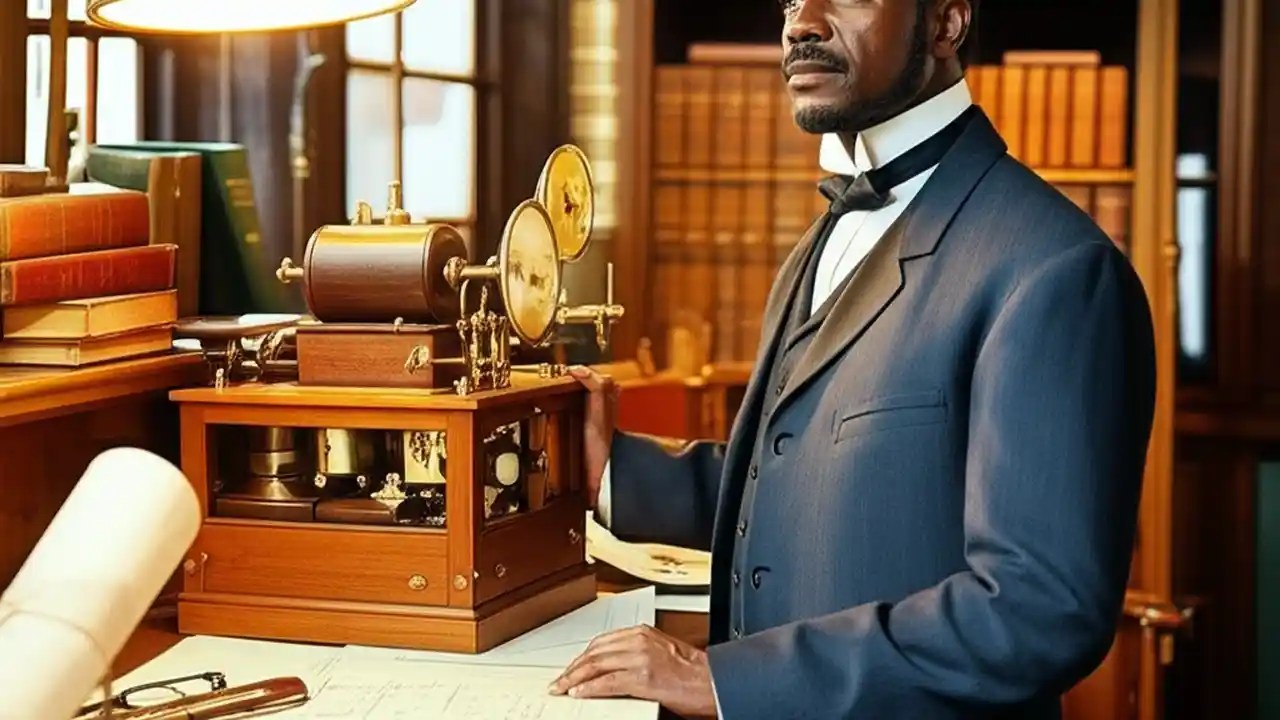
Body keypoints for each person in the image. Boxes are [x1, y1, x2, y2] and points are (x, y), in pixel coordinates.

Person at [549, 0, 1157, 717]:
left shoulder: (1055, 270)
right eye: (789, 0)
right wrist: (613, 471)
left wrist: (723, 680)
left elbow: (1037, 608)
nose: (801, 23)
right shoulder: (819, 242)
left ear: (945, 24)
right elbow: (803, 475)